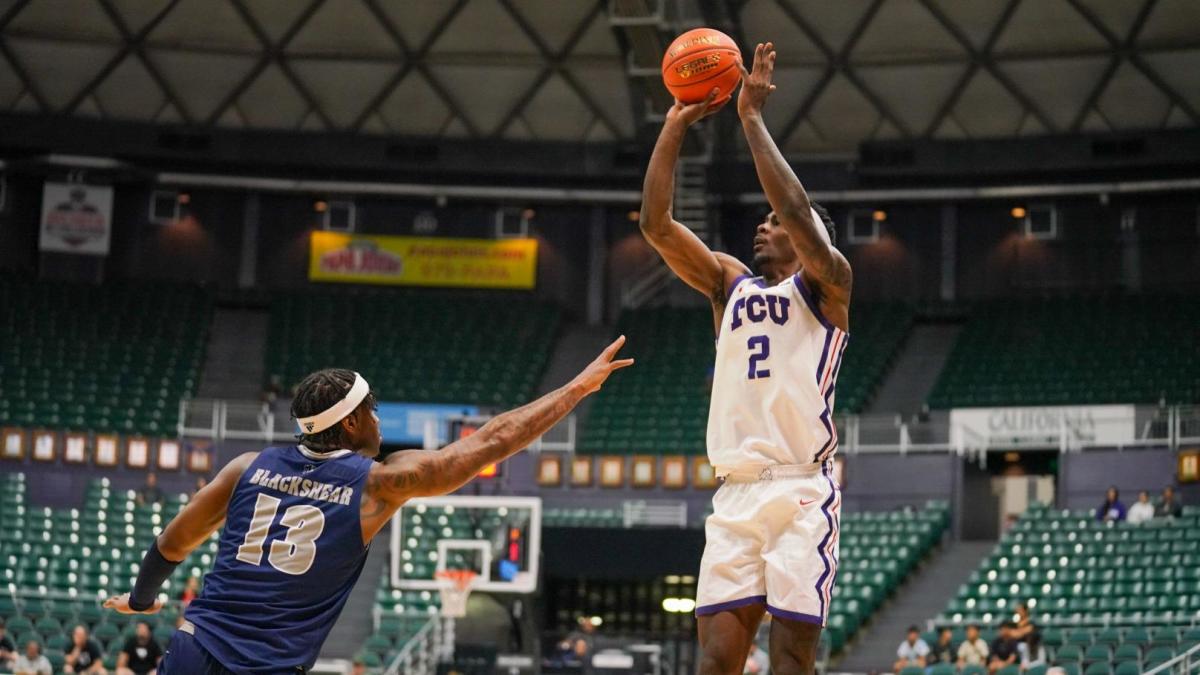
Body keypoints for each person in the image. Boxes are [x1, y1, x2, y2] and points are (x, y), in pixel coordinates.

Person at [103, 343, 633, 674]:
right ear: (353, 424)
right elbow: (491, 442)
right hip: (267, 665)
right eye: (372, 410)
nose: (378, 419)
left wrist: (143, 600)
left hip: (195, 647)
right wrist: (575, 389)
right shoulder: (377, 484)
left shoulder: (246, 466)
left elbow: (172, 544)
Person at [640, 42, 852, 675]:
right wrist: (674, 127)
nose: (764, 227)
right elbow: (656, 224)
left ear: (809, 237)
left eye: (775, 223)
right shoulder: (729, 285)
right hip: (734, 494)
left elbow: (793, 206)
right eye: (762, 221)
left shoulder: (828, 283)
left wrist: (752, 119)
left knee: (791, 658)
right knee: (716, 662)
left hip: (801, 491)